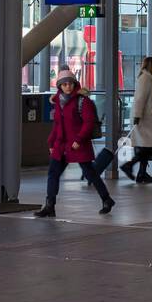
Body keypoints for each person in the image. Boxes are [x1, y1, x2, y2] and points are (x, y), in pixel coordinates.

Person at [35, 70, 114, 218]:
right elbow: (57, 124)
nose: (68, 87)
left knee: (90, 173)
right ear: (60, 86)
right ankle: (49, 206)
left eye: (70, 83)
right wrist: (51, 142)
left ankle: (107, 199)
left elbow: (89, 123)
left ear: (75, 84)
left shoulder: (83, 101)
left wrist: (79, 140)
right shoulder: (58, 101)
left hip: (77, 144)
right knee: (53, 173)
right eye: (64, 84)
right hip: (61, 144)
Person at [122, 56, 152, 184]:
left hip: (147, 118)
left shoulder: (150, 78)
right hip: (144, 119)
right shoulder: (145, 79)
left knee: (146, 146)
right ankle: (129, 165)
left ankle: (141, 173)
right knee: (148, 148)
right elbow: (140, 98)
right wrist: (137, 116)